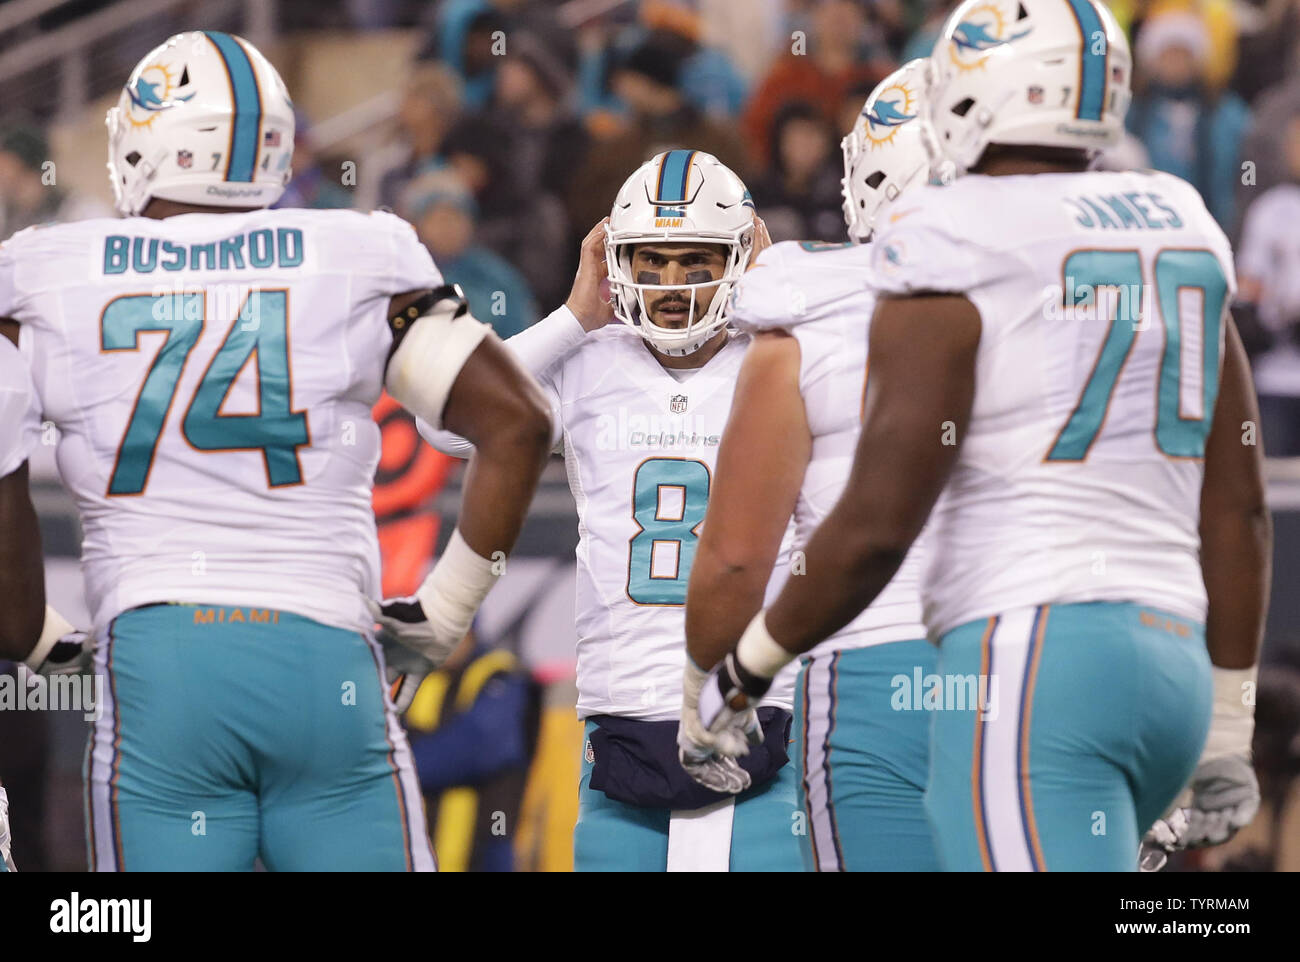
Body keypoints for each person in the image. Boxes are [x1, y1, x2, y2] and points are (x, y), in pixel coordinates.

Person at [683, 0, 1270, 872]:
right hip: (1172, 661)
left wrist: (746, 668)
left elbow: (882, 517)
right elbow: (1241, 510)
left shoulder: (946, 237)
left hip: (1030, 657)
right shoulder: (1178, 216)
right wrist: (1227, 721)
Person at [0, 31, 553, 871]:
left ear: (149, 143)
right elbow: (518, 423)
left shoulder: (45, 271)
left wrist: (30, 630)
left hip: (160, 664)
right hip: (324, 653)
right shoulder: (353, 251)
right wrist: (443, 613)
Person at [424, 150, 803, 871]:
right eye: (650, 261)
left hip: (763, 711)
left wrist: (784, 297)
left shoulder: (787, 359)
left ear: (743, 256)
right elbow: (444, 420)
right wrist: (572, 318)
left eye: (694, 261)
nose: (670, 285)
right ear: (614, 260)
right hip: (624, 716)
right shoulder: (589, 360)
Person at [681, 61, 939, 871]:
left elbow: (733, 561)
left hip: (876, 668)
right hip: (1046, 659)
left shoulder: (804, 311)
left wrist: (713, 689)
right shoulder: (1074, 296)